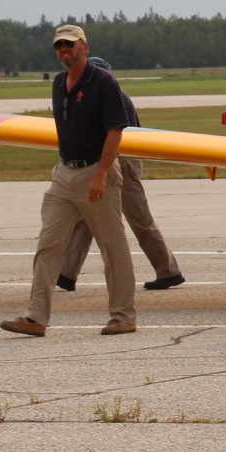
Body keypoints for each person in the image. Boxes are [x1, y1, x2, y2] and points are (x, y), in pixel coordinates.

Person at [0, 26, 138, 337]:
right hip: (64, 174)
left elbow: (116, 130)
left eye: (70, 45)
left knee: (112, 248)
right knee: (48, 244)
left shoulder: (103, 82)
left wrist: (101, 174)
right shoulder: (60, 82)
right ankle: (36, 317)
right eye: (59, 46)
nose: (64, 50)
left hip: (96, 172)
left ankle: (123, 316)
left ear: (84, 47)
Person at [54, 58, 185, 294]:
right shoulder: (110, 95)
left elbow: (115, 133)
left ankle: (168, 271)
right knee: (87, 217)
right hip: (108, 160)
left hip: (121, 161)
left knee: (139, 219)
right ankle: (66, 273)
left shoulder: (110, 96)